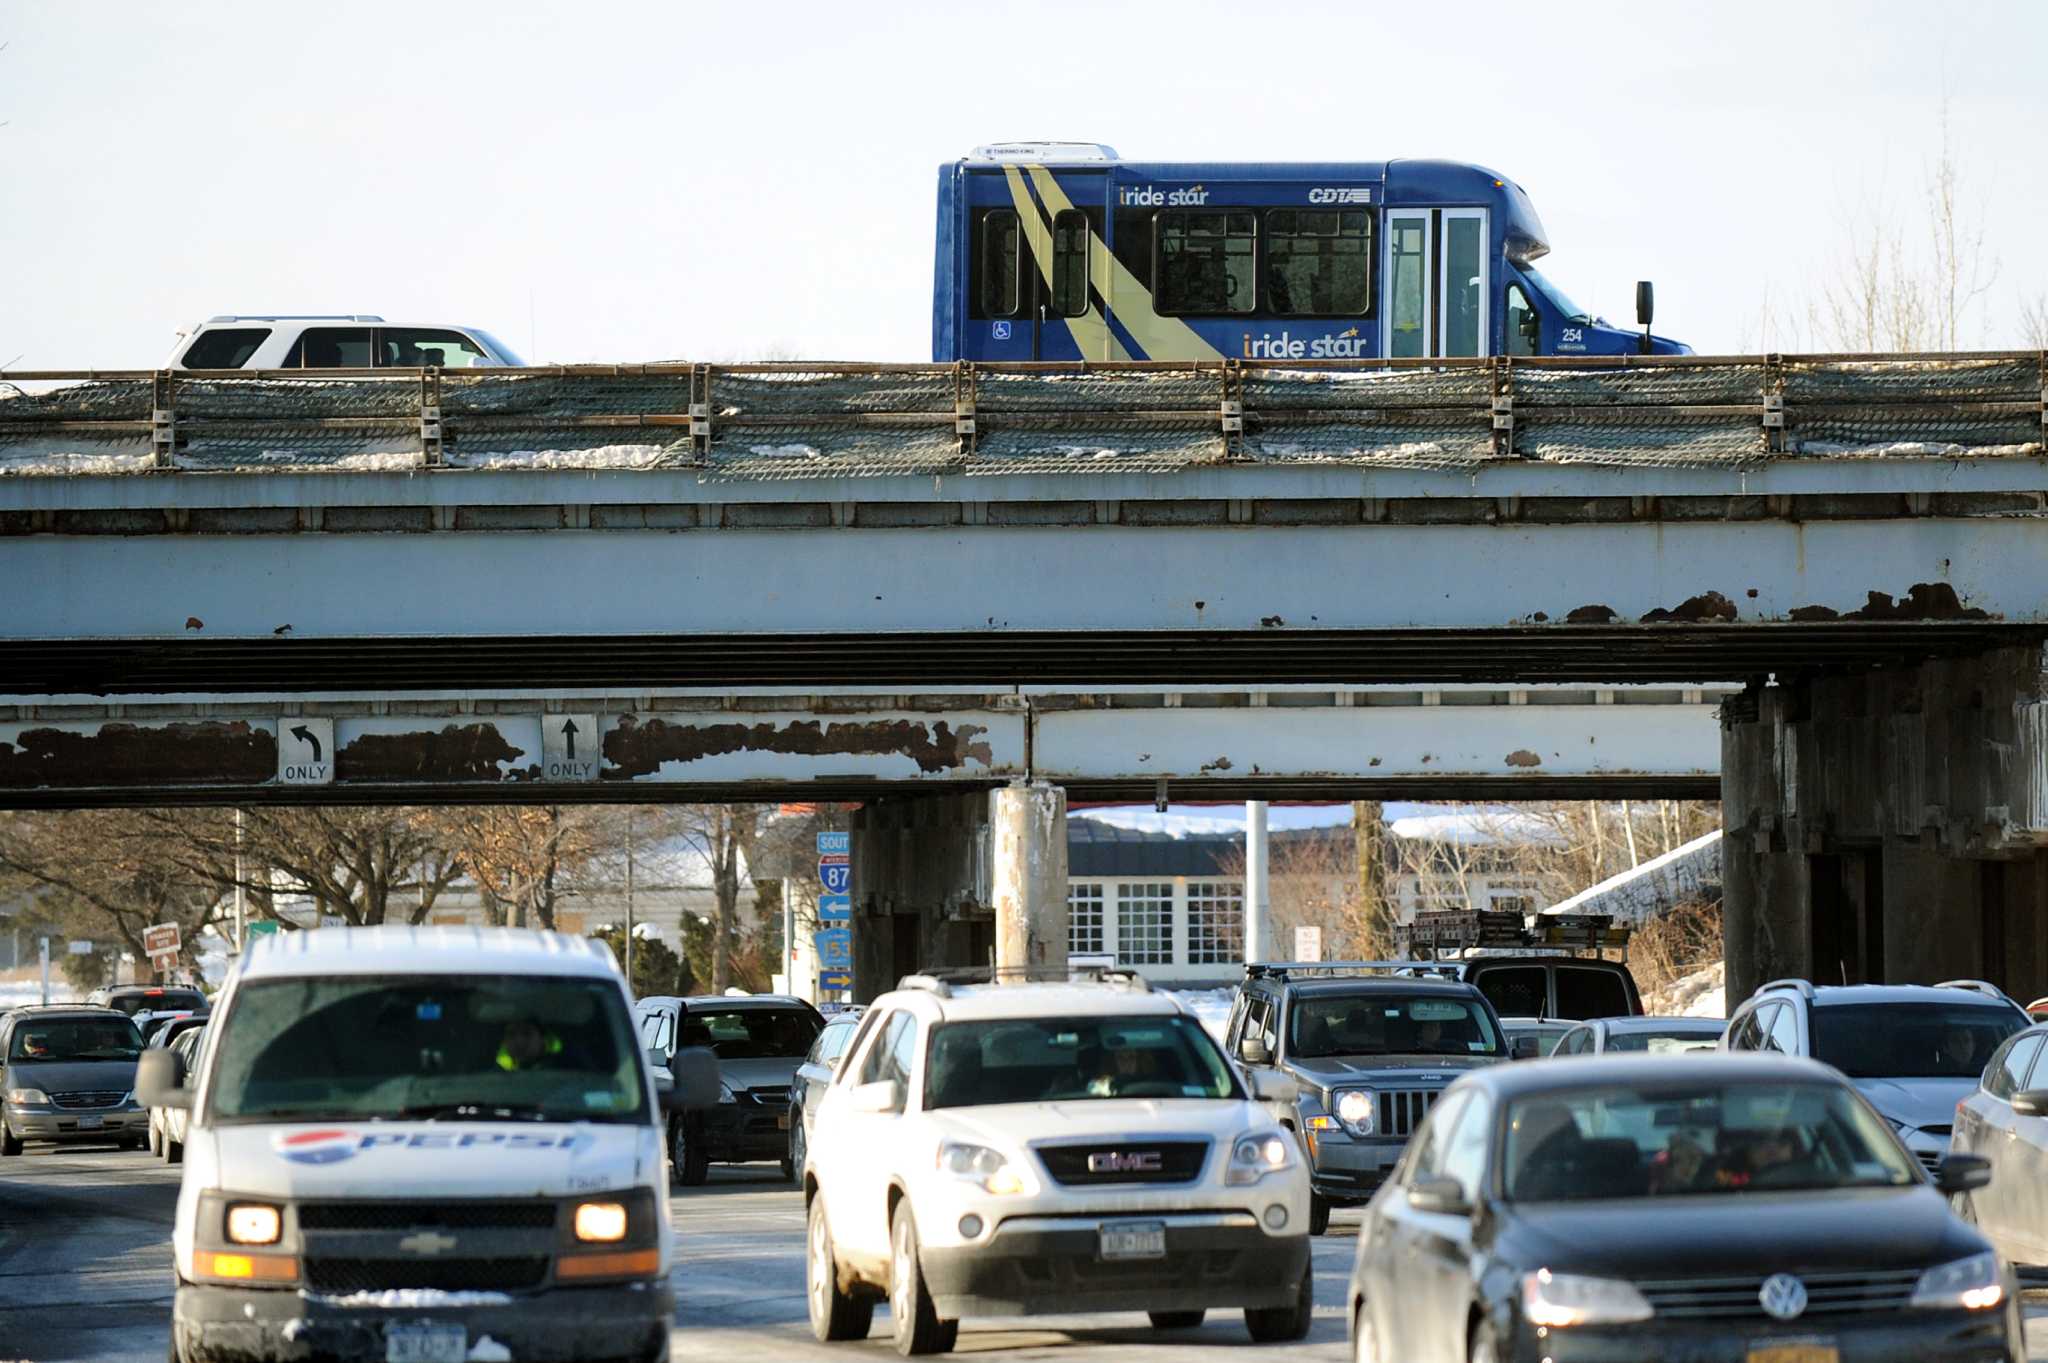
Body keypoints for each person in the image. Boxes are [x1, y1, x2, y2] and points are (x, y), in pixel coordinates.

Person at [495, 1019, 563, 1072]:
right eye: (511, 1034)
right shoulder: (495, 1078)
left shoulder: (561, 1071)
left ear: (542, 1039)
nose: (519, 1041)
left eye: (527, 1034)